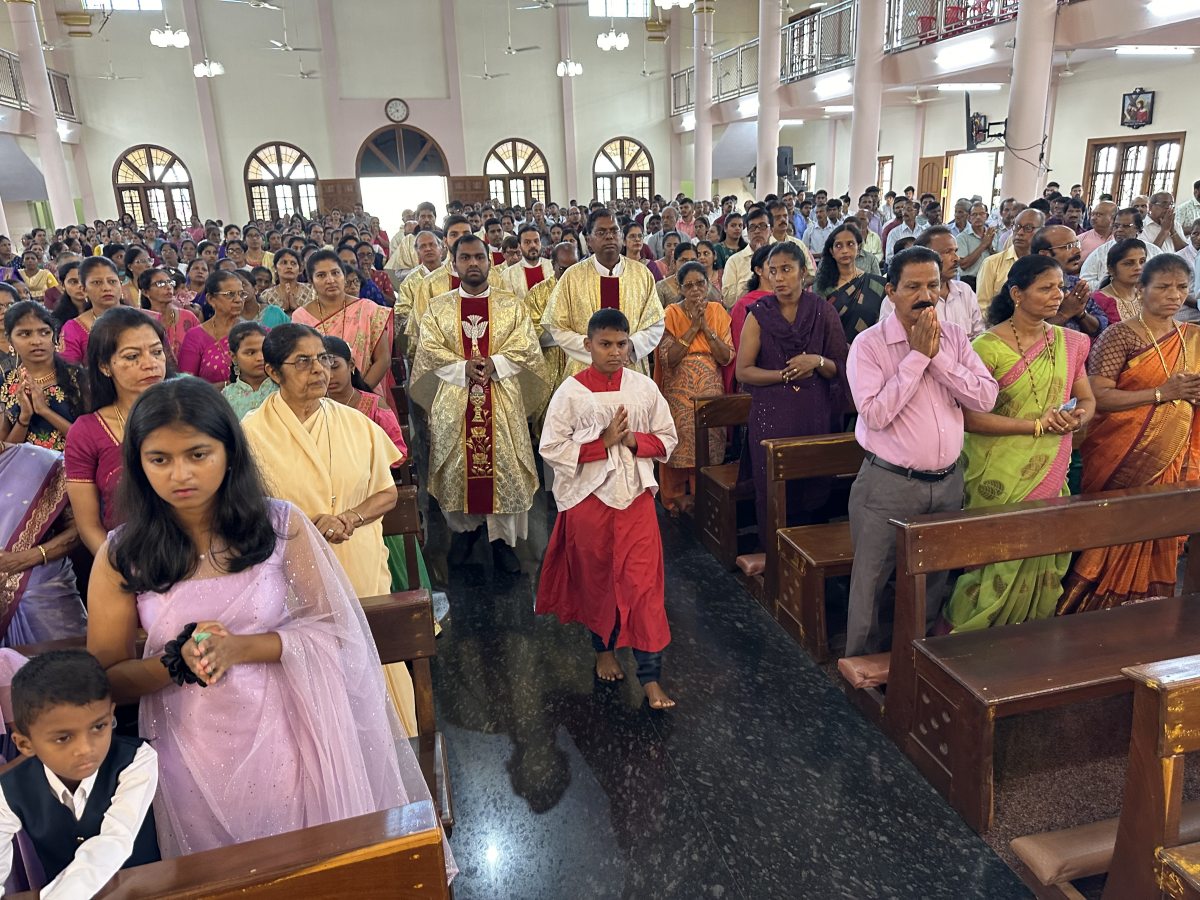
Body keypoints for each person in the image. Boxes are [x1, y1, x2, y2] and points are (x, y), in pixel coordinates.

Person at [86, 378, 447, 871]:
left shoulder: (280, 526)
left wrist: (242, 649)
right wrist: (177, 664)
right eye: (159, 459)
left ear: (230, 453)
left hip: (291, 730)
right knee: (223, 875)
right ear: (138, 463)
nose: (179, 475)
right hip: (191, 748)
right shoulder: (123, 553)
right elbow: (105, 676)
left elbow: (337, 633)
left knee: (304, 869)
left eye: (197, 454)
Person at [843, 248, 999, 657]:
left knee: (934, 578)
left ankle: (917, 659)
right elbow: (875, 414)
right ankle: (860, 668)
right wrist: (915, 358)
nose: (925, 295)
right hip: (888, 484)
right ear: (891, 292)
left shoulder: (954, 338)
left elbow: (985, 397)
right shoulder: (869, 346)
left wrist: (938, 357)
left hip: (948, 482)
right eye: (912, 287)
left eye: (932, 285)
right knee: (872, 580)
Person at [941, 256, 1094, 632]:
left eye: (1059, 287)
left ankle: (1025, 649)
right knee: (992, 561)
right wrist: (1036, 426)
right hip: (998, 472)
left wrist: (1077, 417)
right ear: (1016, 293)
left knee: (1040, 560)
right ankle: (964, 645)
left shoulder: (1068, 343)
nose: (1057, 295)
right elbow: (970, 418)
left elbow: (1088, 400)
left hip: (1050, 467)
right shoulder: (986, 347)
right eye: (1045, 288)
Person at [536, 308, 678, 709]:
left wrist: (633, 442)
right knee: (597, 581)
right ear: (587, 345)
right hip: (589, 502)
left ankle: (651, 678)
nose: (615, 352)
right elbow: (551, 447)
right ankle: (603, 650)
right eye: (605, 344)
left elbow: (669, 438)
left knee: (644, 586)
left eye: (622, 344)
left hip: (634, 500)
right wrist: (603, 443)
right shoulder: (570, 392)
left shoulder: (644, 388)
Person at [1060, 255, 1200, 612]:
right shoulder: (1119, 335)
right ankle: (1088, 615)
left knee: (1161, 536)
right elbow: (1098, 395)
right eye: (1164, 287)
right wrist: (1160, 394)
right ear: (1141, 290)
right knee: (1109, 537)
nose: (1174, 296)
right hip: (1120, 457)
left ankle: (1149, 619)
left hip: (1174, 453)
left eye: (1182, 288)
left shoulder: (1193, 337)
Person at [410, 234, 550, 574]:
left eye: (479, 257)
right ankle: (466, 536)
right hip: (456, 402)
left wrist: (494, 363)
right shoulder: (439, 307)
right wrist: (463, 367)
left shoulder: (511, 304)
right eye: (466, 258)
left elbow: (527, 348)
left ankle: (502, 542)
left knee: (504, 466)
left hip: (500, 399)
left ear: (490, 262)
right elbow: (427, 351)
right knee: (458, 469)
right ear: (454, 263)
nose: (473, 263)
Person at [0, 651, 159, 896]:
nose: (86, 748)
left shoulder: (136, 761)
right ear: (24, 744)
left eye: (99, 726)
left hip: (148, 893)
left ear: (111, 714)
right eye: (63, 738)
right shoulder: (10, 788)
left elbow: (114, 841)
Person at [735, 242, 849, 551]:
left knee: (812, 489)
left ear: (803, 272)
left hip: (814, 415)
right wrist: (783, 375)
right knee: (773, 491)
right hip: (771, 416)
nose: (779, 278)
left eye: (787, 269)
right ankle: (774, 559)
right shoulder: (759, 314)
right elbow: (743, 371)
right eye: (773, 271)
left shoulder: (823, 311)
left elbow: (841, 365)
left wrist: (816, 361)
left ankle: (811, 557)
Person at [323, 335, 432, 595]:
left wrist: (361, 465)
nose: (329, 375)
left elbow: (399, 452)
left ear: (351, 366)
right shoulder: (316, 409)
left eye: (335, 365)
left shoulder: (373, 405)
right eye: (322, 368)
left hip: (373, 494)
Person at [65, 308, 172, 556]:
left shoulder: (193, 412)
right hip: (129, 560)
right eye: (133, 356)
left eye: (157, 352)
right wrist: (119, 571)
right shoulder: (88, 431)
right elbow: (89, 526)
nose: (150, 364)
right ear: (104, 366)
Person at [544, 210, 663, 380]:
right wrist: (594, 349)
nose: (609, 236)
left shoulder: (641, 274)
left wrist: (630, 345)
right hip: (584, 369)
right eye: (601, 232)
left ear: (621, 238)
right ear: (589, 241)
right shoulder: (572, 276)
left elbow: (656, 323)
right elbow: (557, 326)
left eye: (614, 231)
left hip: (630, 367)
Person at [655, 261, 733, 515]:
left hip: (710, 386)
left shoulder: (718, 311)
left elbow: (725, 357)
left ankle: (705, 495)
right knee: (680, 443)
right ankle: (676, 497)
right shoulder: (670, 313)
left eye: (700, 283)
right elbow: (669, 358)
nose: (696, 289)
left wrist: (707, 329)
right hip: (679, 388)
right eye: (688, 285)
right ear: (679, 287)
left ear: (708, 283)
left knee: (709, 442)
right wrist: (692, 329)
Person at [290, 250, 394, 401]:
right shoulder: (300, 316)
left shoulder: (368, 309)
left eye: (335, 273)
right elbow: (303, 362)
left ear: (344, 277)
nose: (330, 280)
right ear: (311, 282)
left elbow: (383, 359)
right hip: (321, 399)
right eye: (321, 275)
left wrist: (357, 395)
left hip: (365, 394)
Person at [0, 302, 86, 451]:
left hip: (73, 469)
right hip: (24, 471)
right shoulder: (7, 383)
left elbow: (89, 441)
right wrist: (24, 418)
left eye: (45, 332)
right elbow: (5, 451)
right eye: (25, 334)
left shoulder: (79, 378)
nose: (37, 341)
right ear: (10, 339)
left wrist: (44, 411)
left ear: (55, 336)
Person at [814, 222, 887, 345]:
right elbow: (819, 324)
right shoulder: (822, 286)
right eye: (838, 246)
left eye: (850, 244)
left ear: (858, 248)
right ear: (831, 251)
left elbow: (883, 322)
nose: (845, 250)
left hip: (870, 350)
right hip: (833, 352)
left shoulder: (877, 285)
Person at [177, 270, 243, 386]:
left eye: (241, 294)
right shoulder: (195, 337)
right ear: (211, 299)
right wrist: (228, 387)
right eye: (230, 294)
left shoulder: (255, 332)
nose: (238, 300)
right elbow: (185, 385)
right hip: (209, 402)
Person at [976, 208, 1046, 313]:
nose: (1020, 232)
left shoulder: (1045, 265)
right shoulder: (992, 263)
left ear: (1041, 231)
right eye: (1017, 227)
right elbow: (982, 307)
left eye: (1028, 228)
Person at [61, 257, 127, 366]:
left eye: (112, 281)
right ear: (84, 290)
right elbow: (70, 372)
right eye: (97, 282)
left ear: (120, 285)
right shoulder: (73, 328)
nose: (106, 288)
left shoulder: (146, 319)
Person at [139, 266, 199, 359]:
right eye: (160, 284)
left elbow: (201, 346)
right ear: (145, 292)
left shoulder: (188, 317)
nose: (168, 287)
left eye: (170, 282)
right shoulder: (140, 321)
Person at [221, 321, 276, 420]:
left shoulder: (283, 389)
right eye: (251, 353)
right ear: (233, 357)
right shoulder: (226, 397)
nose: (260, 358)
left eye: (264, 351)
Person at [1091, 239, 1147, 324]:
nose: (1138, 267)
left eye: (1142, 262)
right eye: (1129, 263)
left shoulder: (1147, 296)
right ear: (1111, 269)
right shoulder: (1099, 300)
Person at [500, 224, 554, 301]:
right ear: (519, 245)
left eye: (536, 241)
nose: (533, 245)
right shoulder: (508, 275)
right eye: (527, 242)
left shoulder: (553, 267)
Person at [259, 248, 314, 315]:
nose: (289, 267)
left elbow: (317, 318)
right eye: (284, 263)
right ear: (275, 268)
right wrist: (283, 308)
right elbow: (265, 322)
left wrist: (296, 307)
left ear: (300, 269)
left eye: (293, 263)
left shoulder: (311, 291)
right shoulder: (266, 296)